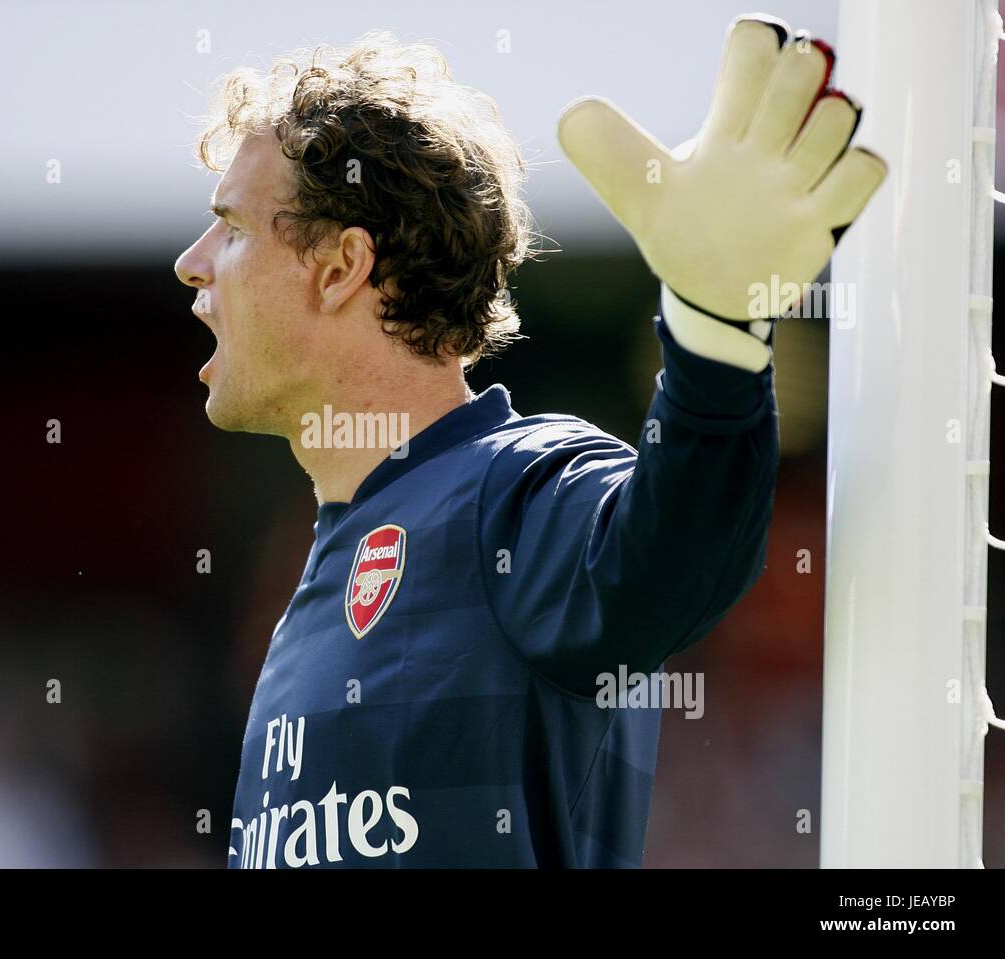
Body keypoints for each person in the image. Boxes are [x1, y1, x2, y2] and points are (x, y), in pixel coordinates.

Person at [174, 16, 885, 867]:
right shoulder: (330, 560)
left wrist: (714, 327)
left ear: (339, 267)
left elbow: (670, 561)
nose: (193, 260)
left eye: (235, 227)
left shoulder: (509, 489)